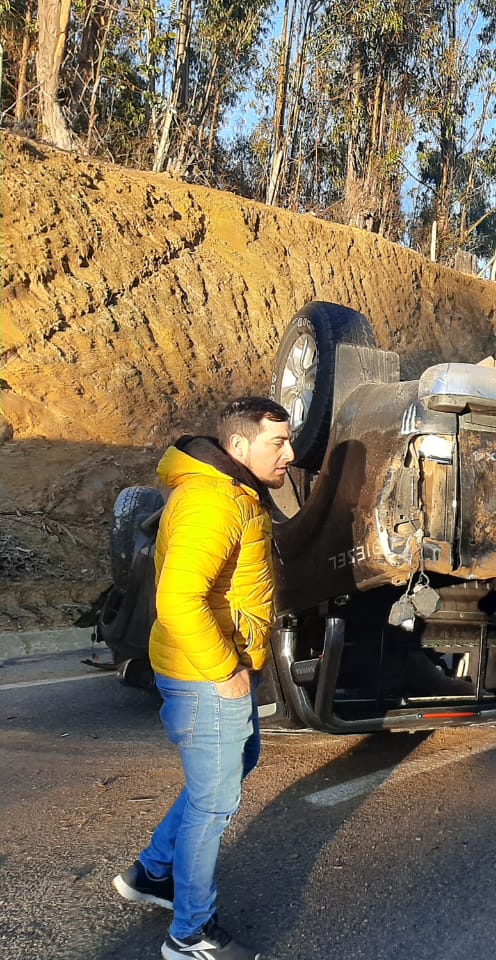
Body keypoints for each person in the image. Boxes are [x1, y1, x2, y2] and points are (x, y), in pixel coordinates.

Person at [113, 397, 293, 960]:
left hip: (213, 667)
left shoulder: (233, 493)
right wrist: (226, 672)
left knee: (229, 771)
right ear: (239, 447)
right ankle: (190, 935)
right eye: (277, 443)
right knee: (213, 804)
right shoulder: (212, 502)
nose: (289, 453)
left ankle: (151, 875)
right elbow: (178, 599)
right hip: (205, 675)